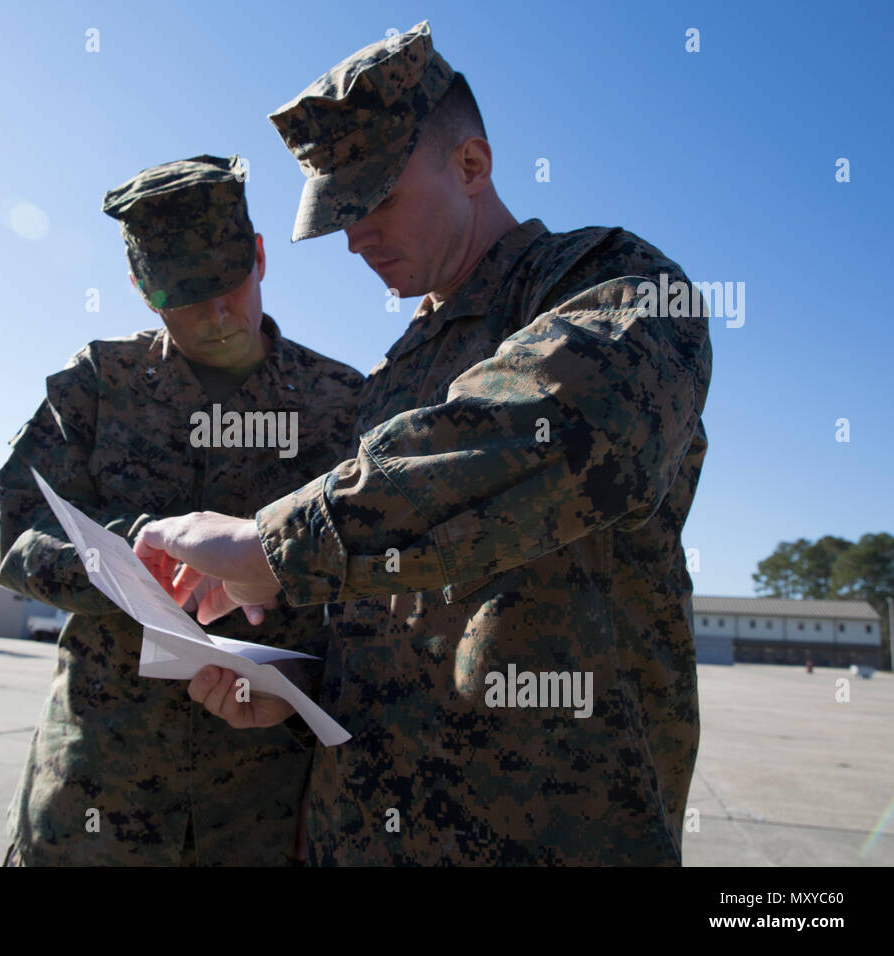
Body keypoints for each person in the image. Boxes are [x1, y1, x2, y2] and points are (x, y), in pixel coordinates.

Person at [134, 23, 712, 866]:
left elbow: (561, 430)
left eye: (373, 202)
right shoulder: (395, 371)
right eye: (338, 217)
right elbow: (396, 590)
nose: (355, 237)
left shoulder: (613, 286)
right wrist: (300, 684)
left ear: (471, 165)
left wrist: (273, 544)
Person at [0, 154, 364, 866]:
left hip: (262, 802)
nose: (216, 314)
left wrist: (303, 685)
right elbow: (20, 537)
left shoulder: (341, 402)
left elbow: (378, 593)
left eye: (228, 284)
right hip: (99, 793)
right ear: (140, 288)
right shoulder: (98, 385)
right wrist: (127, 552)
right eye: (184, 294)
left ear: (259, 257)